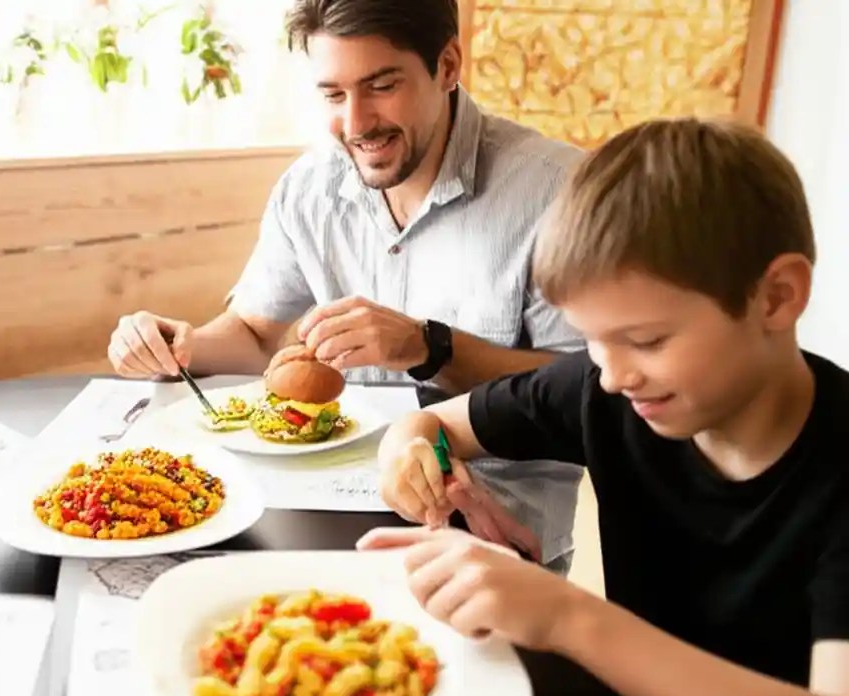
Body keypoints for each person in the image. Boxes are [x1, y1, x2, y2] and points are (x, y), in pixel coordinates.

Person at [366, 118, 849, 696]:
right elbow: (431, 426)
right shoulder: (606, 389)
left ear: (775, 297)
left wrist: (565, 614)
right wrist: (418, 460)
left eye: (646, 341)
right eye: (592, 340)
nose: (615, 374)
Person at [108, 0, 585, 569]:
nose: (356, 124)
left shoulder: (561, 192)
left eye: (382, 85)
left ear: (449, 65)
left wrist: (428, 347)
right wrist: (182, 346)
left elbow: (589, 390)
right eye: (333, 95)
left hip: (486, 533)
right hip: (316, 514)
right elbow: (258, 336)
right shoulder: (308, 186)